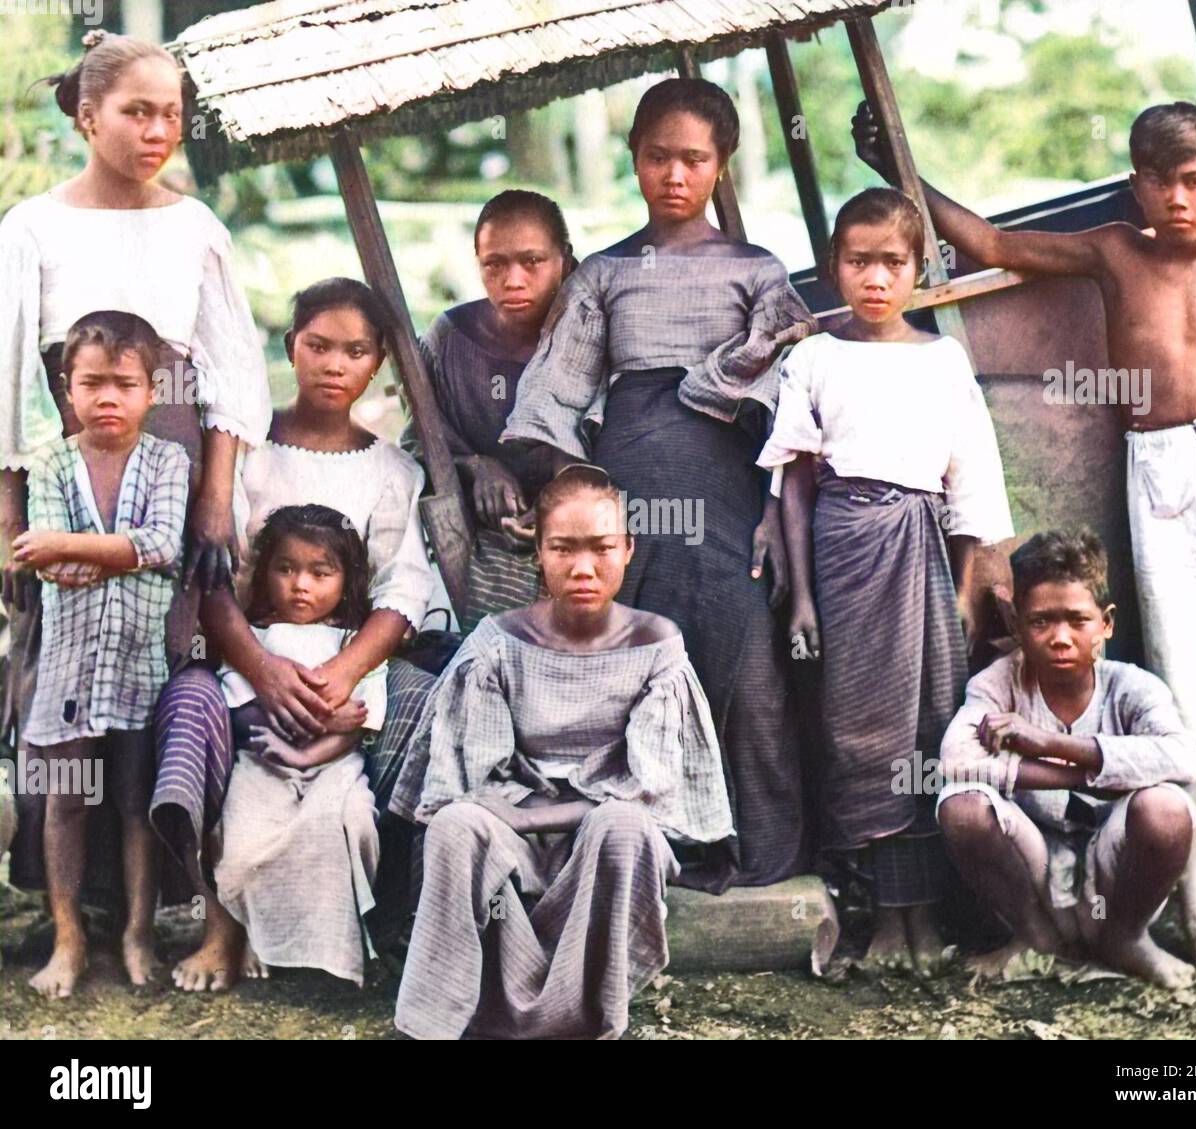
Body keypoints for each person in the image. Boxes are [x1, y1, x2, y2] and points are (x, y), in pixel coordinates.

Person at [855, 100, 1196, 962]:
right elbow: (990, 245)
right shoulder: (1113, 252)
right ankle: (1195, 907)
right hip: (1159, 468)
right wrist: (897, 170)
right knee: (1189, 695)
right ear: (1134, 184)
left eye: (1194, 181)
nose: (1176, 197)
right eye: (1158, 180)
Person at [501, 78, 817, 890]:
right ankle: (648, 849)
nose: (674, 174)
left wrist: (777, 512)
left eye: (694, 159)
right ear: (634, 160)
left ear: (723, 165)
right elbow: (554, 394)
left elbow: (792, 398)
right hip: (631, 487)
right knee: (640, 661)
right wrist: (568, 486)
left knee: (745, 657)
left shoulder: (757, 269)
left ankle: (759, 854)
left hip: (730, 487)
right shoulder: (605, 274)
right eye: (657, 157)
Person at [0, 30, 270, 894]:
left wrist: (216, 499)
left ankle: (162, 892)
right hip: (64, 470)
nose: (159, 131)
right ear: (87, 117)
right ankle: (69, 899)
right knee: (62, 664)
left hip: (174, 463)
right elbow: (7, 379)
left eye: (173, 116)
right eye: (138, 112)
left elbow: (231, 370)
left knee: (164, 651)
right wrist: (12, 518)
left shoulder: (194, 226)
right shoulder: (32, 227)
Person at [150, 278, 444, 991]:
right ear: (291, 348)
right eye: (318, 345)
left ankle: (385, 923)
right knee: (206, 728)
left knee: (423, 714)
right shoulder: (247, 455)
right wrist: (262, 668)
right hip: (251, 663)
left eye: (355, 350)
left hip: (345, 668)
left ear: (378, 362)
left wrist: (342, 675)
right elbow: (215, 574)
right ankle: (221, 926)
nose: (334, 364)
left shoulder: (391, 470)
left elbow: (403, 588)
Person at [758, 188, 1013, 972]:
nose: (875, 278)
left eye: (892, 262)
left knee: (926, 728)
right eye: (859, 261)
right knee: (854, 736)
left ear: (917, 268)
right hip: (841, 550)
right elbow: (795, 484)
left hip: (921, 550)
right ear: (834, 268)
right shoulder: (815, 356)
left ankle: (927, 922)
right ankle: (882, 923)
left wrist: (969, 591)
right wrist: (801, 596)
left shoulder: (942, 359)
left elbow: (971, 484)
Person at [390, 464, 733, 1039]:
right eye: (562, 548)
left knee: (623, 825)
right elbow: (474, 773)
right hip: (516, 833)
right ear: (538, 555)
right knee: (454, 825)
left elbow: (648, 790)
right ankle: (431, 1024)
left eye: (601, 548)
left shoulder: (656, 646)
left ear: (627, 550)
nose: (582, 568)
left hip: (600, 833)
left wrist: (531, 817)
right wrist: (513, 816)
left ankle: (593, 1018)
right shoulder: (498, 642)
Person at [938, 529, 1196, 987]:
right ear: (1017, 624)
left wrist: (1048, 743)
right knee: (961, 807)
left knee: (1166, 809)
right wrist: (1076, 776)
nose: (1060, 638)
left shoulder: (1131, 686)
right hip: (1034, 863)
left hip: (1115, 871)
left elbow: (1182, 757)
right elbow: (953, 761)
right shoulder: (998, 684)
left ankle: (1126, 939)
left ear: (1107, 624)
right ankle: (1035, 938)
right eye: (1041, 622)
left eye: (1078, 621)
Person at [17, 311, 189, 997]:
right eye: (91, 383)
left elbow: (164, 545)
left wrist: (72, 548)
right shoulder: (52, 462)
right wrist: (111, 552)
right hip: (68, 665)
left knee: (133, 798)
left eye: (125, 384)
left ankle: (137, 930)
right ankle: (67, 935)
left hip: (140, 663)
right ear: (67, 389)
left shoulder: (168, 461)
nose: (107, 398)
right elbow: (37, 553)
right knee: (65, 800)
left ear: (152, 391)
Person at [214, 506, 385, 986]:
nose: (300, 585)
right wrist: (319, 723)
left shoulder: (352, 642)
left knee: (343, 823)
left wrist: (306, 753)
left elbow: (359, 721)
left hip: (334, 766)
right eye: (285, 569)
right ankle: (259, 935)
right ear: (265, 572)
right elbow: (243, 707)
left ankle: (332, 948)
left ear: (345, 578)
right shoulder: (256, 641)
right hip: (264, 765)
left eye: (319, 572)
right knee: (245, 848)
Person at [406, 190, 575, 631]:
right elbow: (417, 442)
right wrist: (475, 466)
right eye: (494, 265)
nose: (512, 280)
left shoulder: (585, 337)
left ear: (565, 261)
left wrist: (557, 503)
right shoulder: (449, 338)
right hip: (483, 538)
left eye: (532, 262)